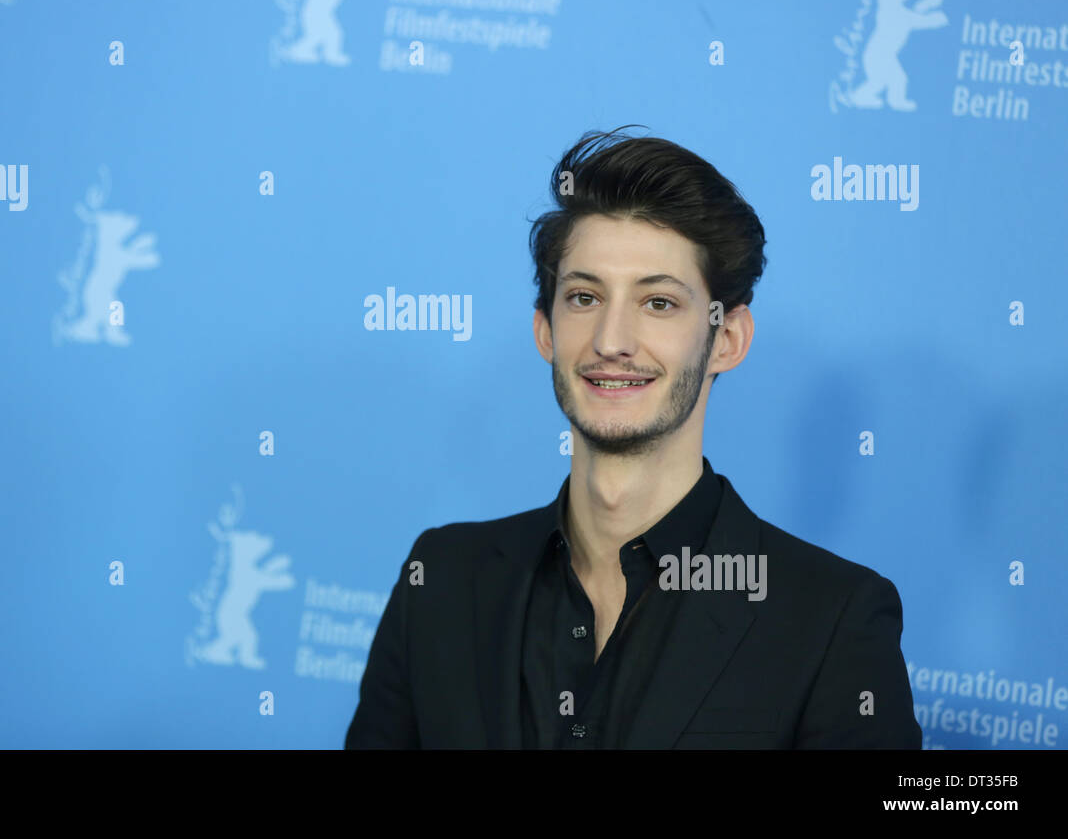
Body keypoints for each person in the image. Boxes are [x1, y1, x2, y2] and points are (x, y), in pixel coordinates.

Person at [345, 125, 921, 749]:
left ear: (726, 339)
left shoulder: (830, 619)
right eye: (585, 296)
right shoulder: (443, 580)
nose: (611, 340)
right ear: (546, 331)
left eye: (659, 304)